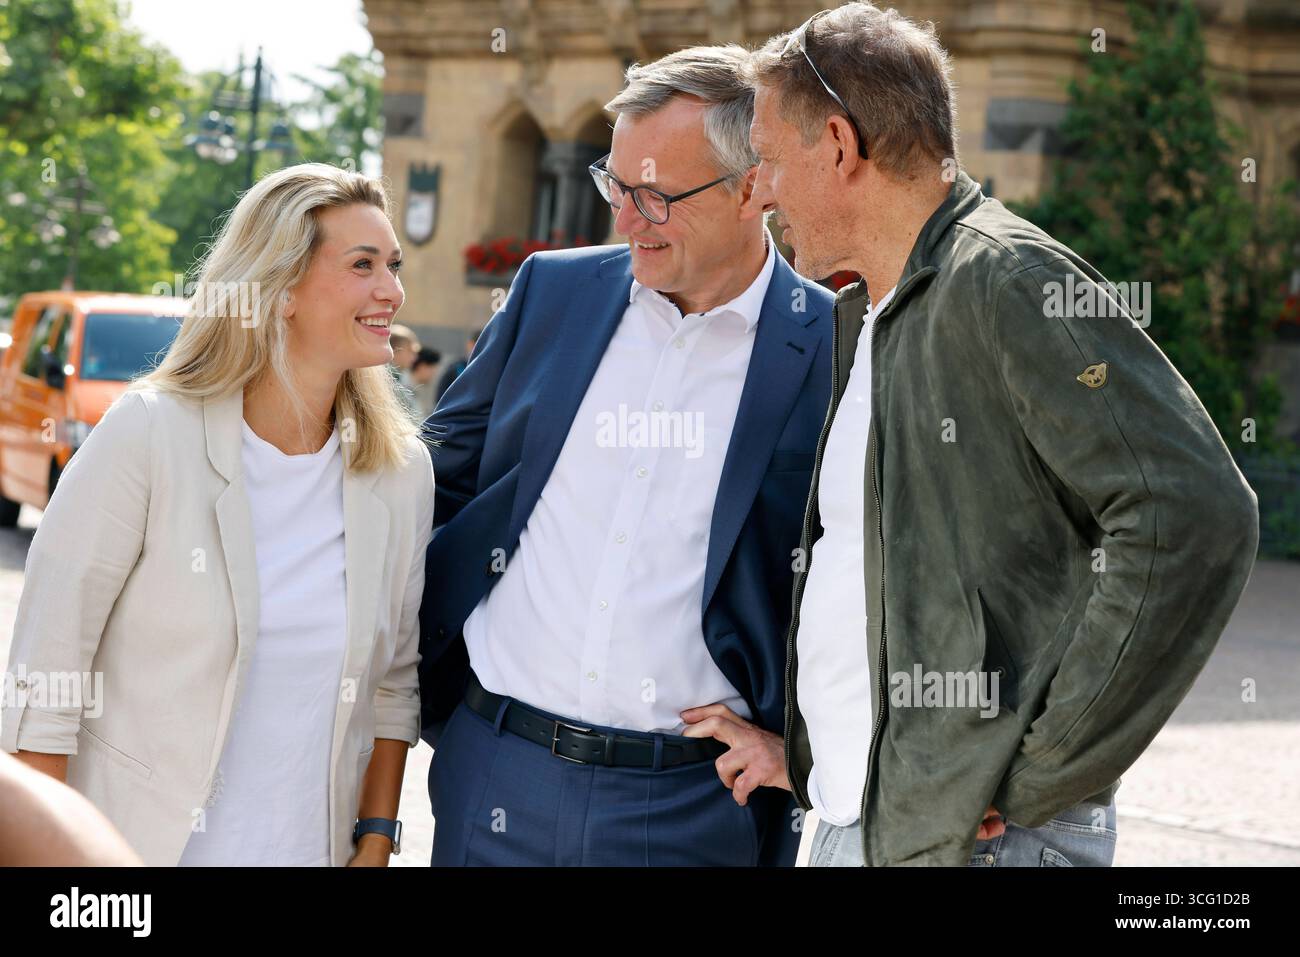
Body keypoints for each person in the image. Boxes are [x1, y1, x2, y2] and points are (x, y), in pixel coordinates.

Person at [727, 2, 1259, 866]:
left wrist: (1036, 771)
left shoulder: (1004, 278)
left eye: (768, 160)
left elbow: (1190, 512)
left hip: (987, 843)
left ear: (836, 143)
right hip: (872, 822)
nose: (761, 190)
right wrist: (820, 757)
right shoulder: (872, 308)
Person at [417, 44, 833, 866]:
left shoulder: (832, 348)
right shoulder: (550, 292)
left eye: (656, 195)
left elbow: (873, 575)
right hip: (495, 769)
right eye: (616, 184)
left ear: (754, 188)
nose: (626, 217)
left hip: (688, 805)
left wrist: (807, 751)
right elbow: (433, 474)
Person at [0, 163, 435, 867]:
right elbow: (44, 687)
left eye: (393, 264)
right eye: (363, 265)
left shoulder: (399, 472)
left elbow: (393, 686)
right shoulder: (147, 432)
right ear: (281, 288)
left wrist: (377, 839)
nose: (392, 290)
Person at [432, 327, 480, 404]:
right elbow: (440, 399)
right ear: (470, 344)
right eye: (477, 345)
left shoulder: (490, 371)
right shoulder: (456, 369)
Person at [410, 346, 442, 418]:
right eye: (432, 369)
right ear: (422, 366)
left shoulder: (420, 387)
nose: (434, 373)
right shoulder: (403, 386)